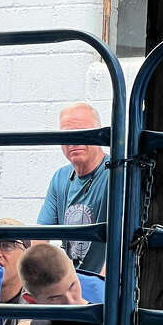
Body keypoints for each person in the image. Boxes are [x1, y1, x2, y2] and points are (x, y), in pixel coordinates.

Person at [34, 103, 108, 273]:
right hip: (71, 282)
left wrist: (102, 286)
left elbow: (122, 241)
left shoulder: (116, 175)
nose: (74, 140)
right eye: (67, 134)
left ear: (99, 134)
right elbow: (39, 240)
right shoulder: (60, 178)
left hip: (104, 284)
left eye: (83, 132)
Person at [19, 243, 101, 325]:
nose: (70, 301)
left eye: (72, 286)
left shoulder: (102, 323)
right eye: (55, 297)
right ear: (32, 300)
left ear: (74, 271)